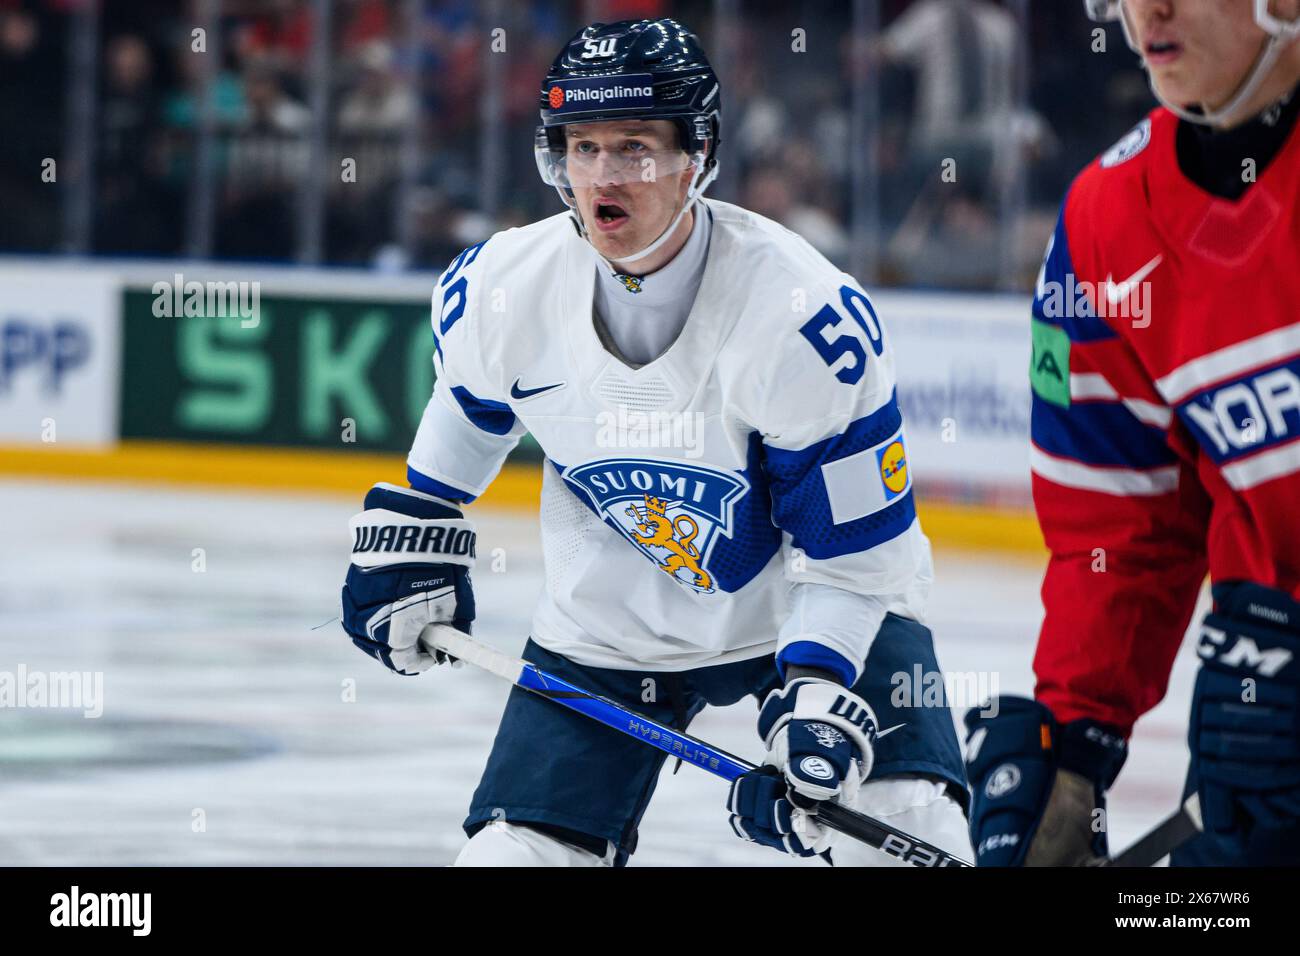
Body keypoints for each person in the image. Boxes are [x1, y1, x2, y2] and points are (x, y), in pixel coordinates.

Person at [341, 17, 971, 867]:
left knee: (904, 836)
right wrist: (418, 525)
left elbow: (857, 555)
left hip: (815, 606)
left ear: (696, 156)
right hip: (608, 629)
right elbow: (470, 406)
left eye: (635, 147)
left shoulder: (801, 318)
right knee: (508, 863)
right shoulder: (504, 286)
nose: (603, 175)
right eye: (583, 146)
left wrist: (817, 693)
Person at [965, 0, 1300, 866]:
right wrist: (1073, 743)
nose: (1148, 9)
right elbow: (1123, 528)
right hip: (1262, 726)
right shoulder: (1106, 222)